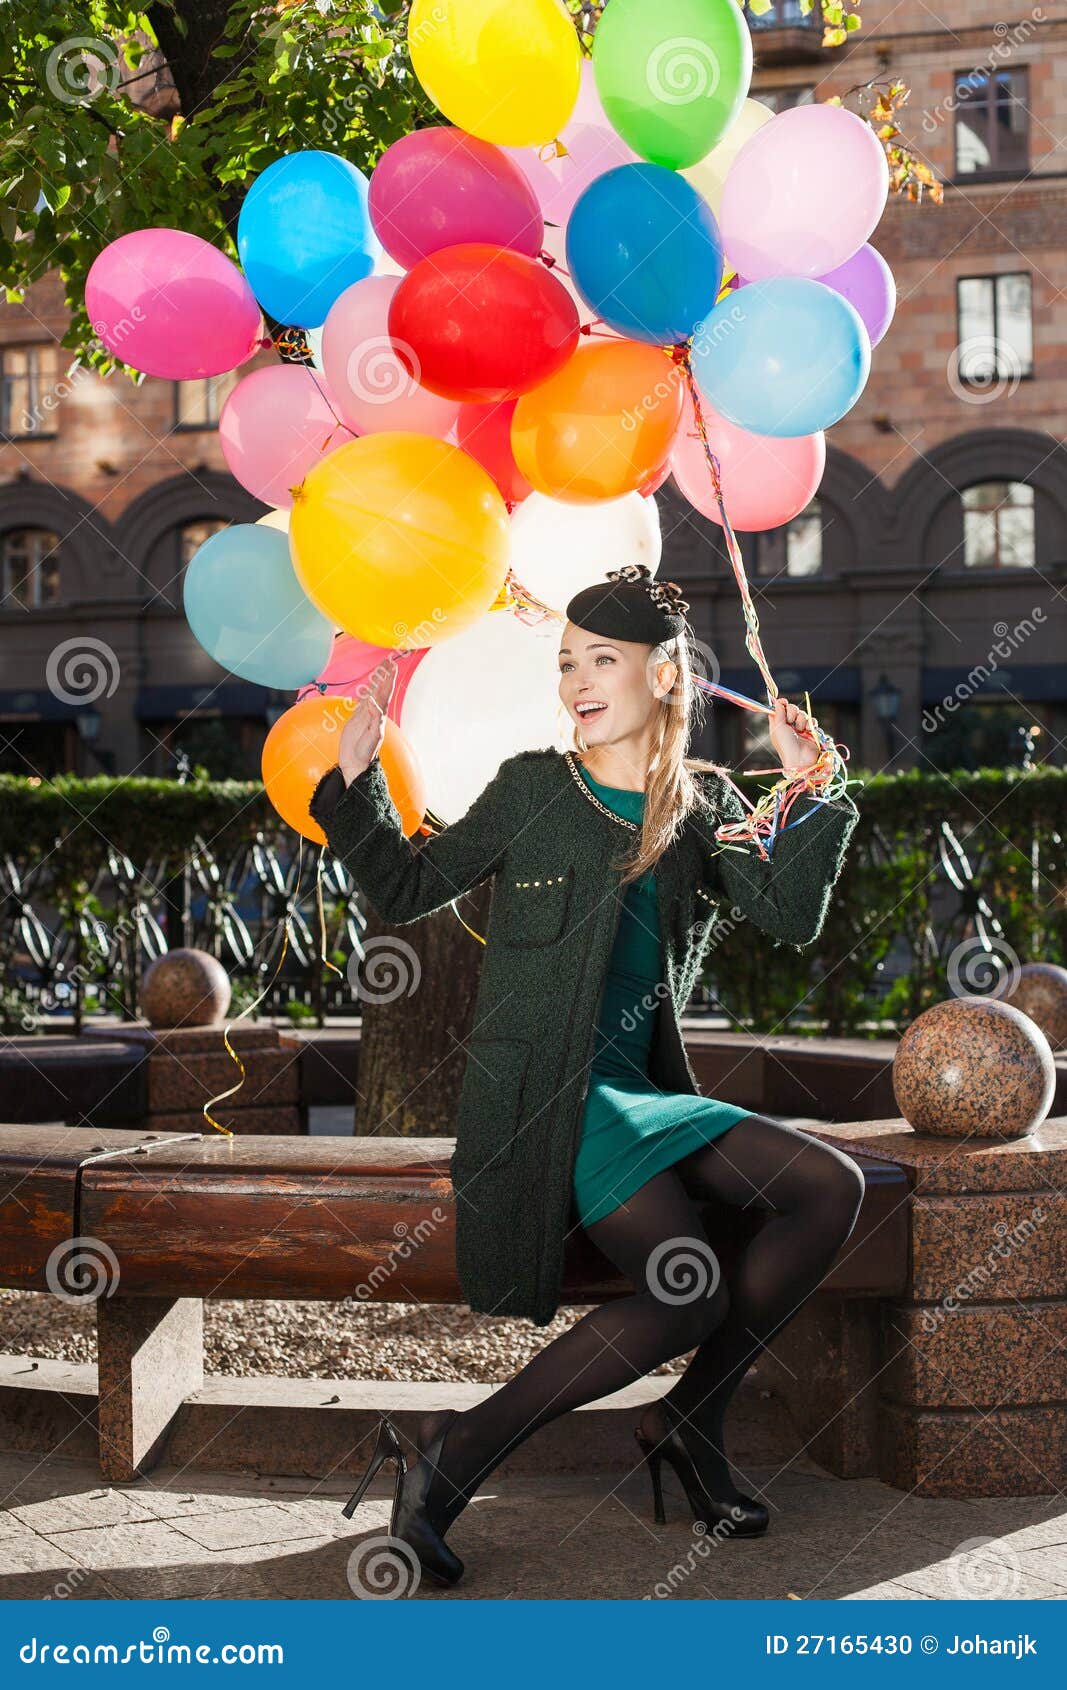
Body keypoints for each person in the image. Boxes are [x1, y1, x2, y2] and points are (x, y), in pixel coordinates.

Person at [309, 565, 864, 1589]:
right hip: (546, 1101)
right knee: (685, 1288)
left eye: (600, 660)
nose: (575, 679)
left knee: (831, 1186)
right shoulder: (531, 786)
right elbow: (403, 883)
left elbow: (788, 913)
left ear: (662, 676)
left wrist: (808, 785)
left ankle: (683, 1413)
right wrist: (358, 781)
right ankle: (463, 1448)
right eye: (566, 660)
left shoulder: (701, 802)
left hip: (637, 1092)